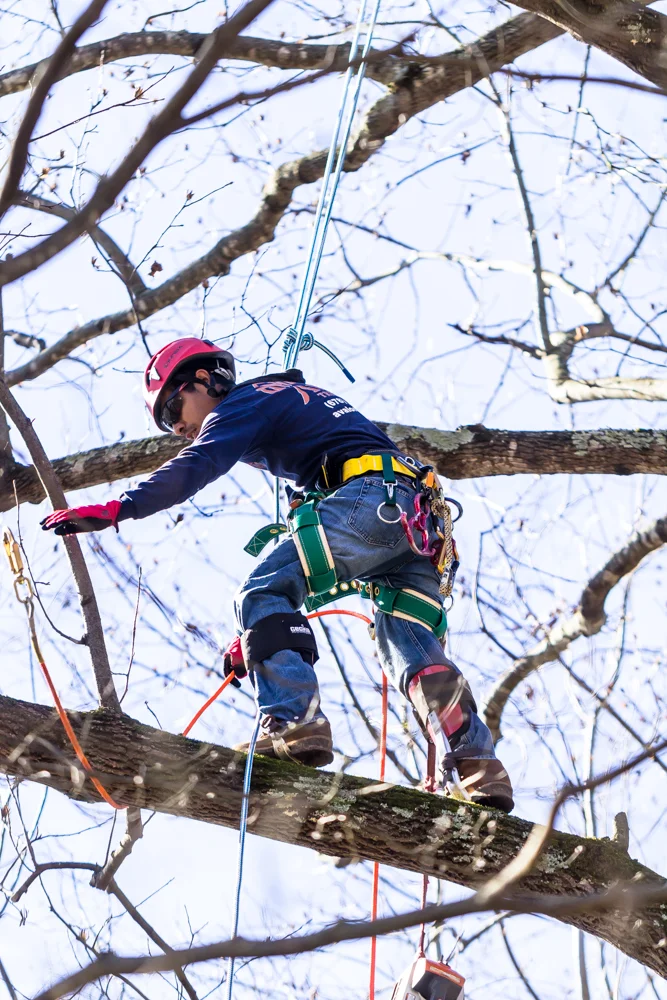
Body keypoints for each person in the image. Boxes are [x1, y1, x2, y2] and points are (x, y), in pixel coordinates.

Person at [41, 338, 514, 812]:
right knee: (409, 651)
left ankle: (293, 723)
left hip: (374, 503)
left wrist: (121, 507)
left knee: (261, 590)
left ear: (205, 379)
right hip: (415, 526)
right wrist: (257, 636)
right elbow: (340, 557)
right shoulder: (294, 405)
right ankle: (479, 767)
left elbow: (198, 464)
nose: (178, 426)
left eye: (173, 407)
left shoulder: (245, 402)